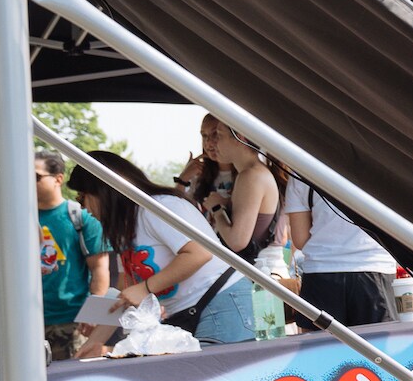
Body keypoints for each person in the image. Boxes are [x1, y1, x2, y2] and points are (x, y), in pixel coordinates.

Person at [69, 152, 253, 350]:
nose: (84, 208)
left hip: (221, 302)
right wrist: (92, 343)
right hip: (185, 315)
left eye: (82, 197)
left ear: (102, 190)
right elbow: (126, 293)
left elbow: (199, 253)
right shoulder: (124, 229)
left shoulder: (158, 207)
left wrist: (145, 288)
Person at [284, 174, 400, 326]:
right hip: (374, 268)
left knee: (321, 348)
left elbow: (300, 239)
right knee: (376, 346)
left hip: (321, 274)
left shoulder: (300, 168)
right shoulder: (382, 163)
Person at [35, 150, 110, 361]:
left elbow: (99, 268)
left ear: (58, 178)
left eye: (36, 177)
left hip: (72, 323)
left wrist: (93, 313)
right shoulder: (17, 216)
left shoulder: (82, 215)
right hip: (27, 323)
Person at [197, 123, 289, 260]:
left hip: (256, 272)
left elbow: (237, 242)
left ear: (239, 138)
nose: (214, 143)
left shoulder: (251, 176)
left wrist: (216, 208)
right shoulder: (253, 173)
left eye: (219, 135)